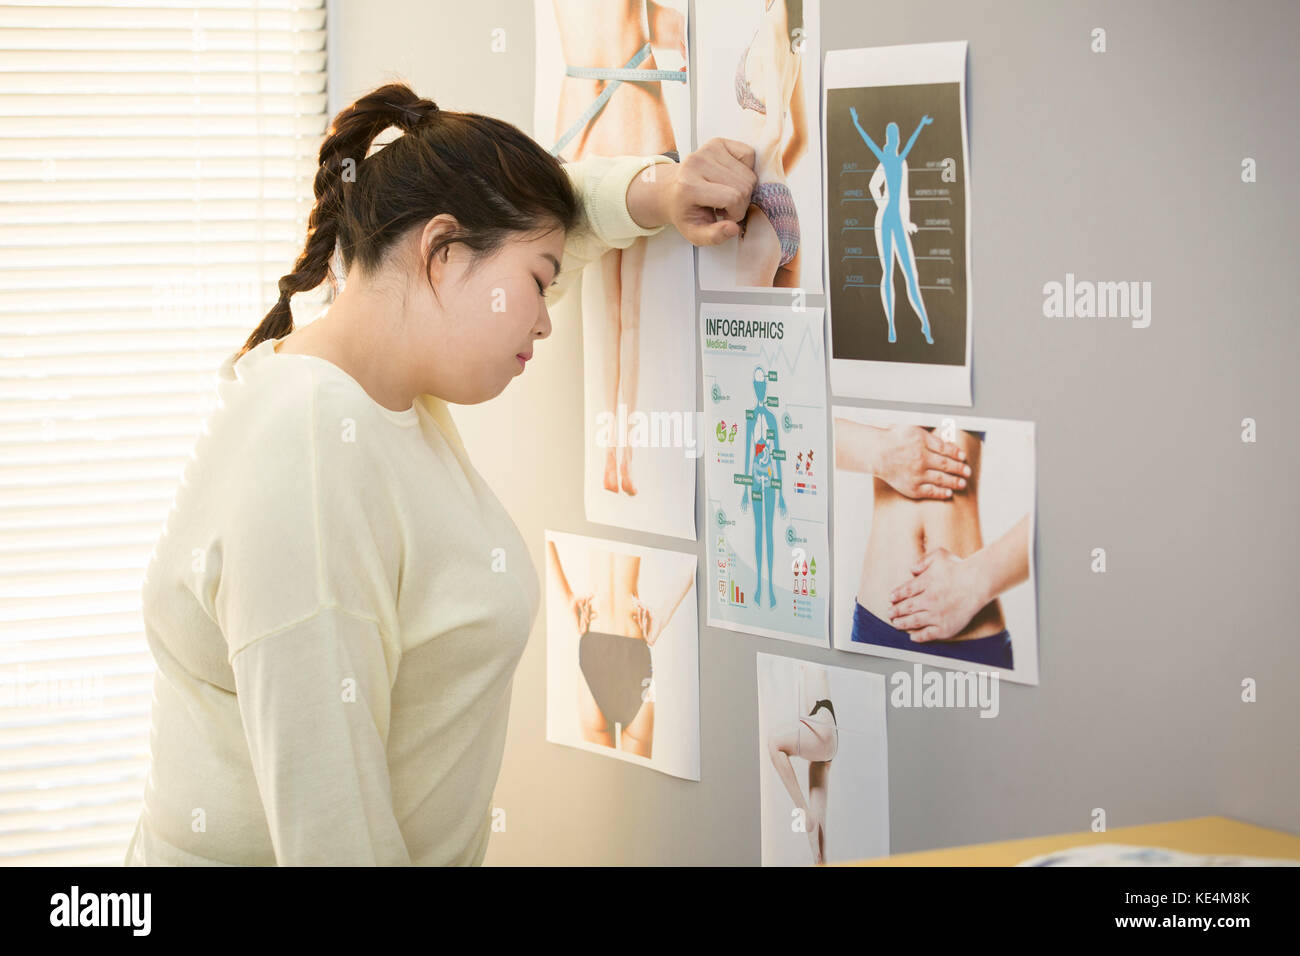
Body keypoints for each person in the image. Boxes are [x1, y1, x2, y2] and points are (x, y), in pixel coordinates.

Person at [123, 82, 756, 866]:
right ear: (442, 252)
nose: (547, 316)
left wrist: (660, 191)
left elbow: (537, 218)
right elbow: (334, 839)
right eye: (539, 283)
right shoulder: (313, 444)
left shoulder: (358, 395)